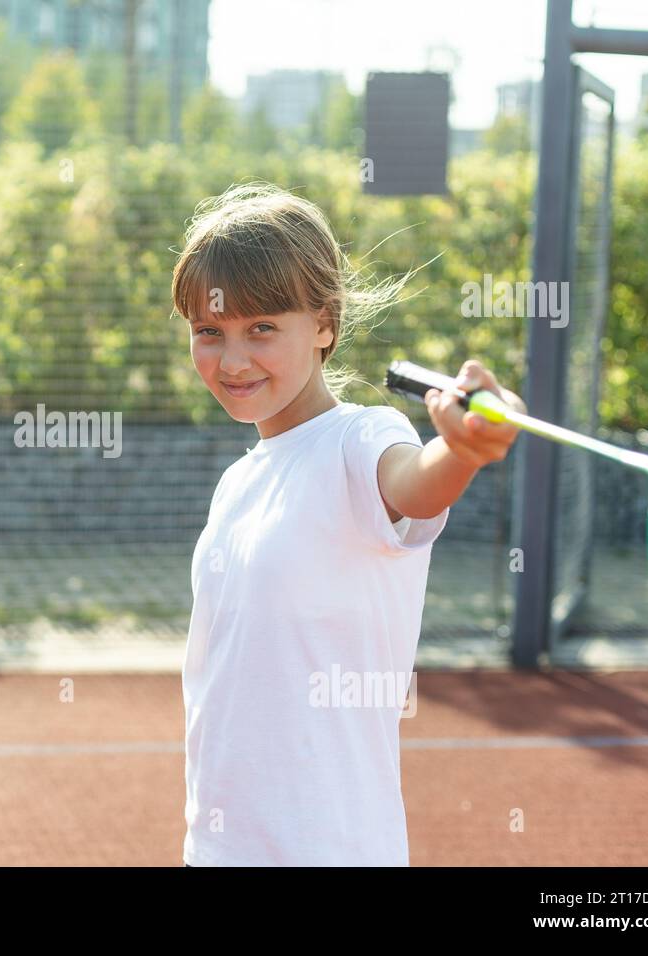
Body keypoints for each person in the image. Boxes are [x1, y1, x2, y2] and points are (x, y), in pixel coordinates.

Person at [171, 183, 523, 866]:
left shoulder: (363, 438)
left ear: (325, 323)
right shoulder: (238, 481)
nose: (232, 359)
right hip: (219, 850)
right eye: (210, 331)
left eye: (262, 328)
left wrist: (464, 448)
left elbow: (414, 485)